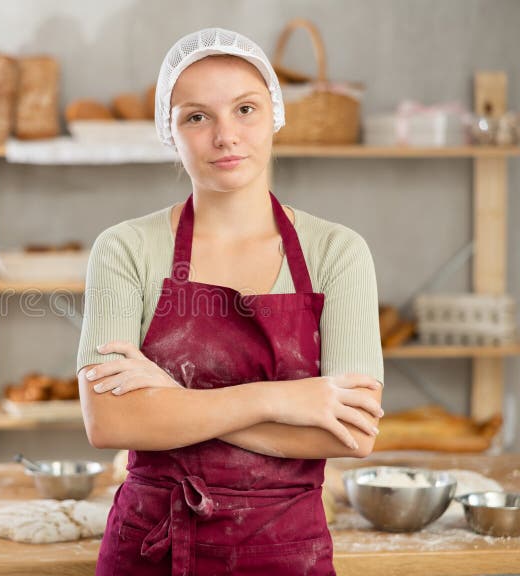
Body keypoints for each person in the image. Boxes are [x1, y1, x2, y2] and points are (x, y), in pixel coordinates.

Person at [76, 27, 384, 576]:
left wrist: (171, 399)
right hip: (151, 545)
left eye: (246, 109)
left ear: (275, 116)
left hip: (288, 549)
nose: (225, 136)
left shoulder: (337, 252)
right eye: (196, 116)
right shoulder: (125, 249)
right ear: (169, 133)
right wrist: (278, 400)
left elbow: (353, 432)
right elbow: (109, 421)